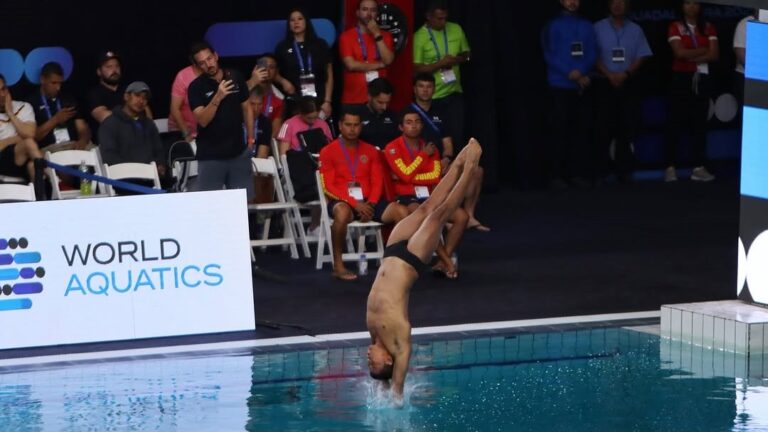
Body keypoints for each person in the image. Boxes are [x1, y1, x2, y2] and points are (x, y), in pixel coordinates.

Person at [366, 138, 481, 404]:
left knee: (427, 206)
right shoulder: (398, 341)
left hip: (391, 252)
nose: (368, 359)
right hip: (411, 261)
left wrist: (380, 389)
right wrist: (395, 393)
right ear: (388, 360)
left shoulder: (374, 334)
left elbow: (381, 381)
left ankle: (459, 162)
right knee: (437, 216)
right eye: (374, 364)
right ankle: (470, 168)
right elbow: (398, 385)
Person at [318, 110, 408, 281]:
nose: (352, 129)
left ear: (361, 126)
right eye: (348, 125)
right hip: (343, 200)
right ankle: (338, 265)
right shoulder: (327, 151)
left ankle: (397, 263)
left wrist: (371, 203)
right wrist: (355, 204)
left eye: (356, 125)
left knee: (401, 211)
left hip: (369, 201)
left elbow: (377, 181)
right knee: (342, 212)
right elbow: (327, 186)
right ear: (340, 126)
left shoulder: (370, 150)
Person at [384, 107, 468, 278]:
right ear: (401, 127)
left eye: (417, 122)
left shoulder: (432, 147)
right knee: (424, 215)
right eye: (409, 122)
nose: (413, 126)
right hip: (407, 198)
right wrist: (422, 156)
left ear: (422, 125)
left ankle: (440, 261)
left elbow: (435, 177)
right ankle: (447, 261)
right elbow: (406, 175)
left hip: (429, 196)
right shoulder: (392, 148)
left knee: (462, 216)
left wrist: (412, 175)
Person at [412, 73, 488, 231]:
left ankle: (469, 215)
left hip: (441, 162)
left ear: (434, 89)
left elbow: (447, 143)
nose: (425, 90)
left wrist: (446, 158)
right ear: (414, 89)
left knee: (477, 171)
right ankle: (443, 216)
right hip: (420, 164)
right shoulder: (409, 113)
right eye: (421, 86)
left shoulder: (440, 112)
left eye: (429, 87)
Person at [593, 0, 652, 183]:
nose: (617, 5)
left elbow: (641, 55)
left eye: (621, 2)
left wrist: (625, 73)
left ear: (627, 6)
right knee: (602, 127)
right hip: (604, 83)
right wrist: (609, 74)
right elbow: (592, 55)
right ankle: (600, 170)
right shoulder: (597, 28)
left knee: (626, 128)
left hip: (628, 83)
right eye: (614, 2)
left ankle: (623, 171)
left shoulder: (636, 29)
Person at [541, 0, 598, 188]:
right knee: (559, 131)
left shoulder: (587, 25)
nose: (572, 2)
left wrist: (581, 71)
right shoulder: (553, 25)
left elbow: (592, 52)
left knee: (580, 131)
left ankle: (577, 173)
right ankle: (556, 175)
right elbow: (549, 54)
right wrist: (569, 73)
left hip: (581, 85)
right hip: (559, 84)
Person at [187, 42, 254, 198]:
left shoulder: (235, 76)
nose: (208, 64)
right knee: (211, 205)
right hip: (211, 156)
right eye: (202, 63)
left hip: (238, 153)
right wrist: (218, 96)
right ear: (198, 67)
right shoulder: (196, 87)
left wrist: (250, 139)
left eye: (209, 58)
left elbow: (247, 108)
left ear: (216, 56)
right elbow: (202, 120)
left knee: (243, 203)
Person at [664, 0, 718, 182]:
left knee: (699, 123)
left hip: (702, 78)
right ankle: (670, 167)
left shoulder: (708, 27)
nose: (692, 7)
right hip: (681, 78)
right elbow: (679, 53)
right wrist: (703, 49)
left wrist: (692, 52)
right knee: (675, 121)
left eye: (695, 3)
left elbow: (714, 55)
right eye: (687, 3)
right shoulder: (675, 27)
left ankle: (698, 167)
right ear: (681, 6)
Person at [412, 0, 471, 153]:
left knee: (457, 137)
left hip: (454, 93)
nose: (443, 22)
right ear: (428, 17)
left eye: (445, 18)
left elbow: (467, 55)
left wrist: (456, 60)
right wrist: (440, 64)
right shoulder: (419, 37)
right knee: (436, 140)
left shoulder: (456, 29)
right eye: (439, 18)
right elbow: (417, 70)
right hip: (433, 98)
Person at [274, 8, 334, 120]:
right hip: (294, 101)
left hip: (319, 101)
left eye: (300, 19)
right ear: (289, 24)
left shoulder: (320, 44)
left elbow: (329, 75)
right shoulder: (282, 47)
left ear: (306, 22)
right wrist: (283, 81)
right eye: (292, 20)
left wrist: (327, 101)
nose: (296, 22)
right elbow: (273, 72)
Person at [98, 82, 166, 177]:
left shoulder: (149, 123)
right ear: (126, 96)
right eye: (137, 95)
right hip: (124, 180)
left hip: (151, 179)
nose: (141, 101)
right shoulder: (110, 123)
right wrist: (135, 170)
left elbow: (159, 150)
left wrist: (160, 165)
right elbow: (109, 156)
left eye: (145, 98)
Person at [339, 0, 395, 108]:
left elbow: (388, 60)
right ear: (358, 13)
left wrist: (377, 34)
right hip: (354, 99)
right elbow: (351, 65)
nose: (369, 14)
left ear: (377, 13)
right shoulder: (347, 36)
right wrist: (380, 65)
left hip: (379, 101)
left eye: (373, 10)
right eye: (365, 9)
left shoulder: (386, 36)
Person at [86, 50, 152, 142]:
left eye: (117, 66)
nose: (114, 70)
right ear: (99, 72)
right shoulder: (95, 94)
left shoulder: (130, 89)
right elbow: (106, 118)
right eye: (109, 67)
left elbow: (146, 111)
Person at [27, 62, 92, 152]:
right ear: (42, 79)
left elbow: (82, 128)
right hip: (50, 149)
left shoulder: (68, 98)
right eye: (53, 83)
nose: (58, 88)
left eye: (60, 83)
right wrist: (55, 120)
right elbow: (34, 136)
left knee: (94, 150)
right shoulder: (31, 102)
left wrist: (82, 141)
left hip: (73, 145)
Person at [0, 73, 45, 199]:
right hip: (3, 161)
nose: (2, 95)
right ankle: (53, 176)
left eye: (4, 89)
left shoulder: (24, 106)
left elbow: (30, 133)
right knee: (29, 143)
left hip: (24, 159)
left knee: (33, 166)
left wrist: (10, 113)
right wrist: (19, 139)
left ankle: (42, 203)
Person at [247, 54, 285, 139]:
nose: (266, 70)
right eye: (263, 66)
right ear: (255, 69)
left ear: (276, 71)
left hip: (265, 143)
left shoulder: (279, 98)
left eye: (271, 67)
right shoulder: (242, 89)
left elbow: (275, 131)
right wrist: (252, 81)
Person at [355, 77, 399, 149]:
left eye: (387, 103)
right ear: (369, 97)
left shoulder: (394, 116)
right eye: (380, 102)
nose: (384, 107)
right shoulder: (357, 115)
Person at [168, 60, 202, 143]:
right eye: (201, 61)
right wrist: (186, 134)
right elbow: (174, 109)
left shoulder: (215, 75)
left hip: (205, 132)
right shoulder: (183, 76)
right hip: (182, 132)